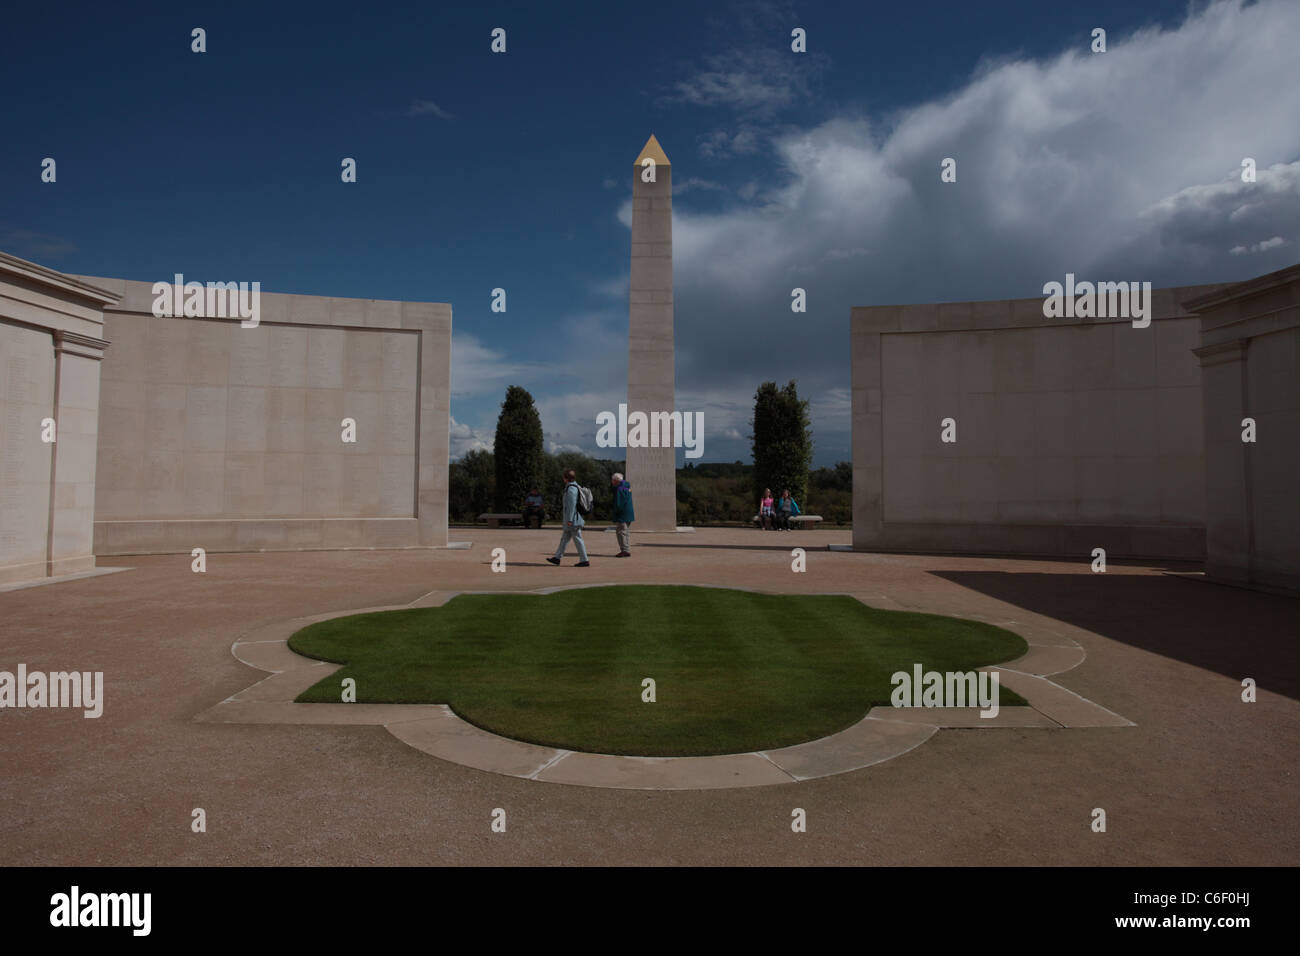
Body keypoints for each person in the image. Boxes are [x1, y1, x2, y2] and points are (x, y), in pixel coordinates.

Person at [546, 469, 590, 567]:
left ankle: (584, 560)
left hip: (573, 519)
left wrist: (569, 520)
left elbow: (571, 506)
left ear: (566, 478)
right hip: (574, 518)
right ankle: (557, 557)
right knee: (565, 538)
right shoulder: (574, 486)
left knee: (577, 539)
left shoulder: (571, 489)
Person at [610, 472, 635, 557]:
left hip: (622, 514)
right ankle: (626, 549)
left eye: (612, 480)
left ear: (616, 480)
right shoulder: (627, 487)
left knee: (621, 532)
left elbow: (618, 504)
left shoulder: (619, 489)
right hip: (628, 513)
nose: (612, 482)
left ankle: (624, 551)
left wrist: (615, 513)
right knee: (625, 532)